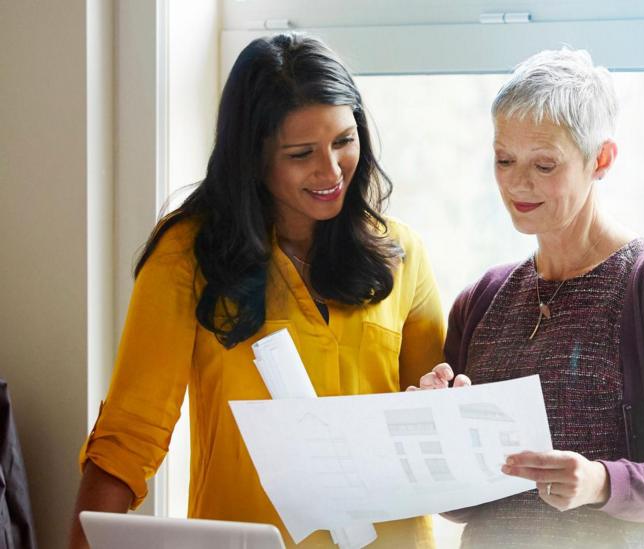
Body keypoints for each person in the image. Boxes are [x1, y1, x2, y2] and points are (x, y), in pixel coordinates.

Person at [69, 34, 445, 548]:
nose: (331, 171)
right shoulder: (187, 256)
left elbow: (431, 423)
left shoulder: (401, 252)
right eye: (301, 153)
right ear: (252, 156)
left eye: (343, 140)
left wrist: (446, 404)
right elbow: (128, 439)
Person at [410, 48, 644, 548]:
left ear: (601, 159)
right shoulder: (483, 299)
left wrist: (599, 482)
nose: (517, 181)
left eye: (545, 164)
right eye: (504, 159)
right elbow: (460, 504)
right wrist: (436, 436)